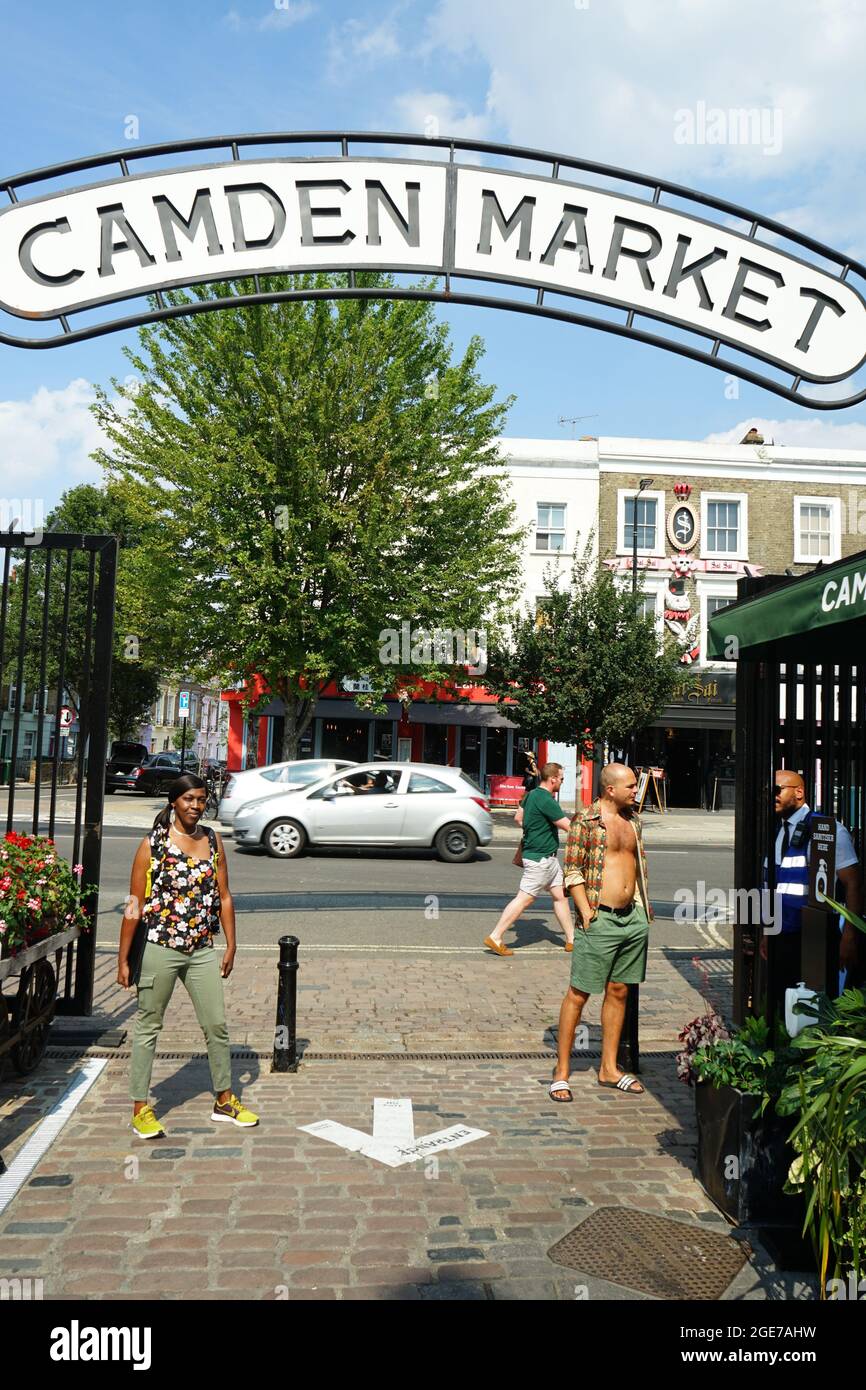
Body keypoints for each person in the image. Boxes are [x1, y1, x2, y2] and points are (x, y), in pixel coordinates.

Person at [118, 773, 259, 1138]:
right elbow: (134, 904)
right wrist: (123, 958)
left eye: (201, 799)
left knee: (216, 1025)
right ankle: (140, 1107)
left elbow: (224, 895)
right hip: (159, 947)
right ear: (174, 803)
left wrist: (231, 944)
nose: (196, 805)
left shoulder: (212, 840)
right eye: (189, 799)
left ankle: (224, 1100)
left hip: (201, 950)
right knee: (149, 1025)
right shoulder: (153, 844)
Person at [550, 763, 652, 1101]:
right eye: (631, 786)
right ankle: (561, 1071)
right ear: (610, 789)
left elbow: (634, 866)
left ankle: (608, 1068)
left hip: (632, 918)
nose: (636, 791)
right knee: (579, 993)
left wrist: (640, 912)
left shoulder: (633, 820)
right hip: (599, 918)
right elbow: (572, 870)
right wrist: (586, 912)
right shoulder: (586, 821)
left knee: (619, 990)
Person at [763, 770, 863, 1011]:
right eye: (768, 791)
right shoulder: (778, 830)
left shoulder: (826, 829)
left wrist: (849, 937)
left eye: (777, 790)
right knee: (784, 1006)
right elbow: (773, 885)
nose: (772, 796)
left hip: (814, 938)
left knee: (814, 1009)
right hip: (781, 936)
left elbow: (854, 883)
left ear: (799, 792)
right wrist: (767, 932)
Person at [483, 761, 575, 956]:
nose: (562, 782)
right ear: (553, 779)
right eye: (561, 778)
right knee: (525, 898)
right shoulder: (547, 800)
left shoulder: (531, 795)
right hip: (541, 859)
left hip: (547, 859)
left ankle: (571, 939)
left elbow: (518, 818)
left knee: (560, 897)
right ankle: (495, 936)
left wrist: (535, 827)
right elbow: (569, 827)